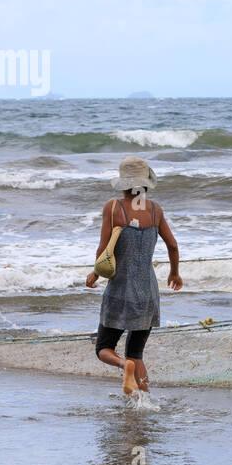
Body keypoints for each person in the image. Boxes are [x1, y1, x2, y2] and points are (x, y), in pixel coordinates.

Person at [85, 156, 183, 394]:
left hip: (120, 290)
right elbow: (172, 245)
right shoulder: (155, 210)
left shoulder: (113, 208)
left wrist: (95, 274)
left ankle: (122, 365)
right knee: (136, 352)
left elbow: (103, 247)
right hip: (148, 292)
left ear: (123, 183)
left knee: (104, 347)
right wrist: (174, 273)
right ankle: (144, 401)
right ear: (145, 183)